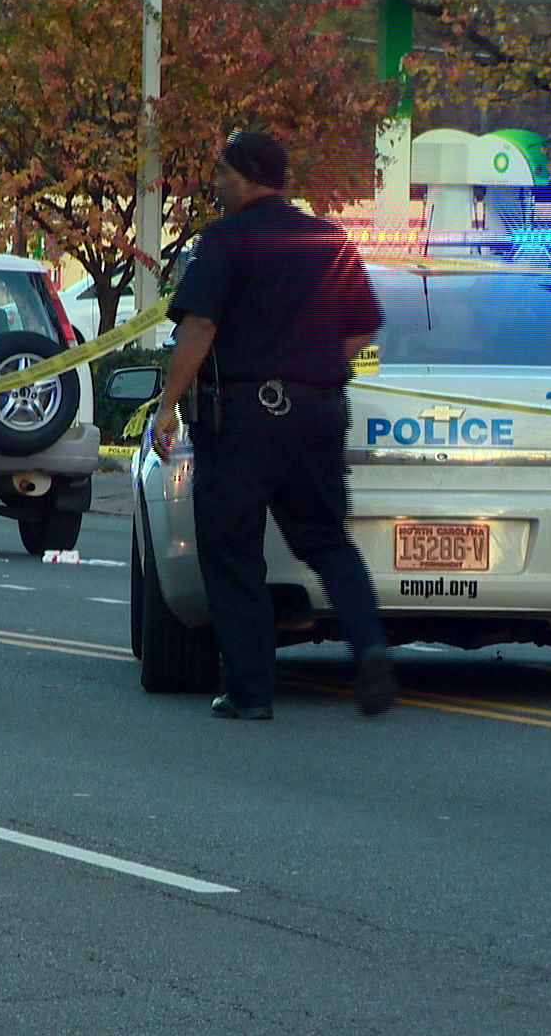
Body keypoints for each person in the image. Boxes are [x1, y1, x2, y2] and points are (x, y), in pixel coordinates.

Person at [150, 130, 395, 719]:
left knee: (232, 551)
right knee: (326, 539)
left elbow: (199, 330)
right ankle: (371, 647)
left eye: (223, 172)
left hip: (241, 420)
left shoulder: (226, 240)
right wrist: (310, 367)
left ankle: (251, 690)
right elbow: (364, 325)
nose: (215, 182)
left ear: (251, 176)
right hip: (314, 412)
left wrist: (167, 404)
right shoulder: (328, 240)